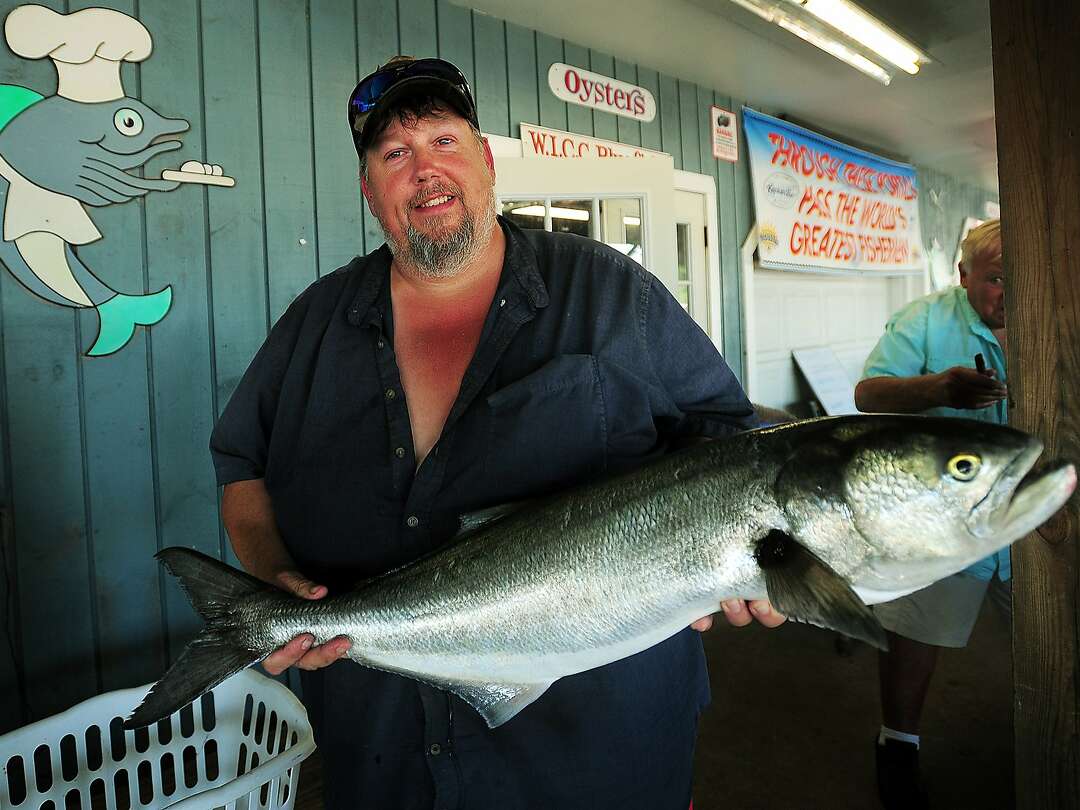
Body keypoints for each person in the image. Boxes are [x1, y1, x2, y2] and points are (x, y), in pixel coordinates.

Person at [210, 56, 783, 810]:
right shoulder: (314, 322)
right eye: (394, 154)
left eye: (444, 142)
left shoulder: (612, 293)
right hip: (384, 749)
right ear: (369, 191)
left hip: (598, 753)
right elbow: (239, 465)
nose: (424, 170)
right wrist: (273, 574)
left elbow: (734, 448)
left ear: (484, 161)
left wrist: (756, 553)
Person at [854, 219, 1008, 810]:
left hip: (1033, 514)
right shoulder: (924, 320)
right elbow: (868, 395)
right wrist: (938, 389)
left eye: (1018, 277)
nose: (1008, 292)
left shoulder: (1053, 309)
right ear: (963, 275)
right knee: (914, 631)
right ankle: (898, 745)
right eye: (996, 278)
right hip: (937, 518)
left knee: (1054, 629)